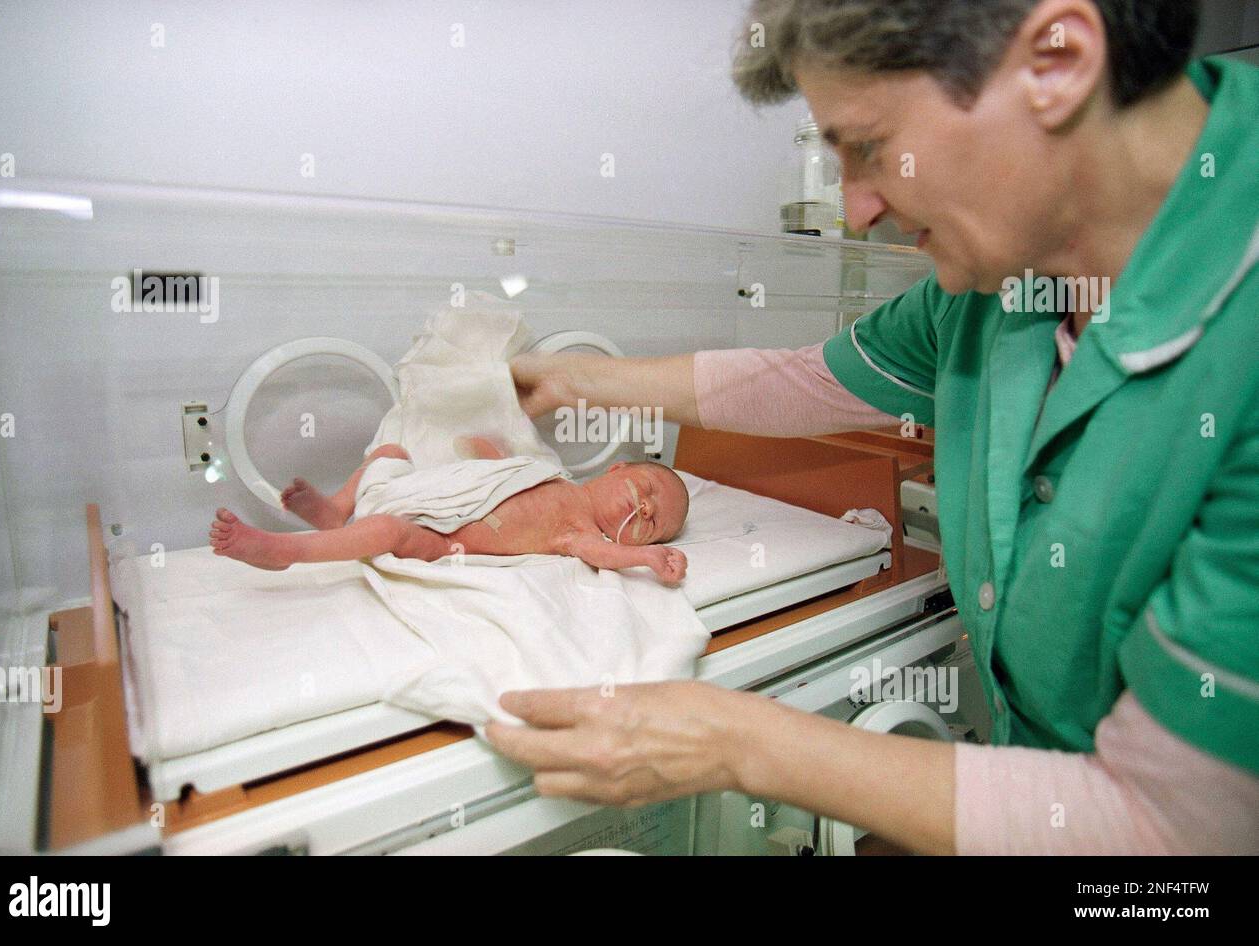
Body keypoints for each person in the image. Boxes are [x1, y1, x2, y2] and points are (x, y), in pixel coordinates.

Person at [485, 0, 1259, 854]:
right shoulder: (1002, 285)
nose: (856, 212)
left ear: (1057, 60)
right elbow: (809, 380)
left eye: (869, 147)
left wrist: (733, 740)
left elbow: (1174, 830)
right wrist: (571, 380)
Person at [208, 436, 690, 583]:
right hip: (429, 495)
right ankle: (337, 508)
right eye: (647, 488)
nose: (645, 507)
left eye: (652, 526)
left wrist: (644, 561)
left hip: (443, 540)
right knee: (392, 453)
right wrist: (492, 451)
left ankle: (285, 549)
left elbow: (604, 557)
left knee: (385, 530)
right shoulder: (553, 472)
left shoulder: (579, 532)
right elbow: (506, 472)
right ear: (618, 468)